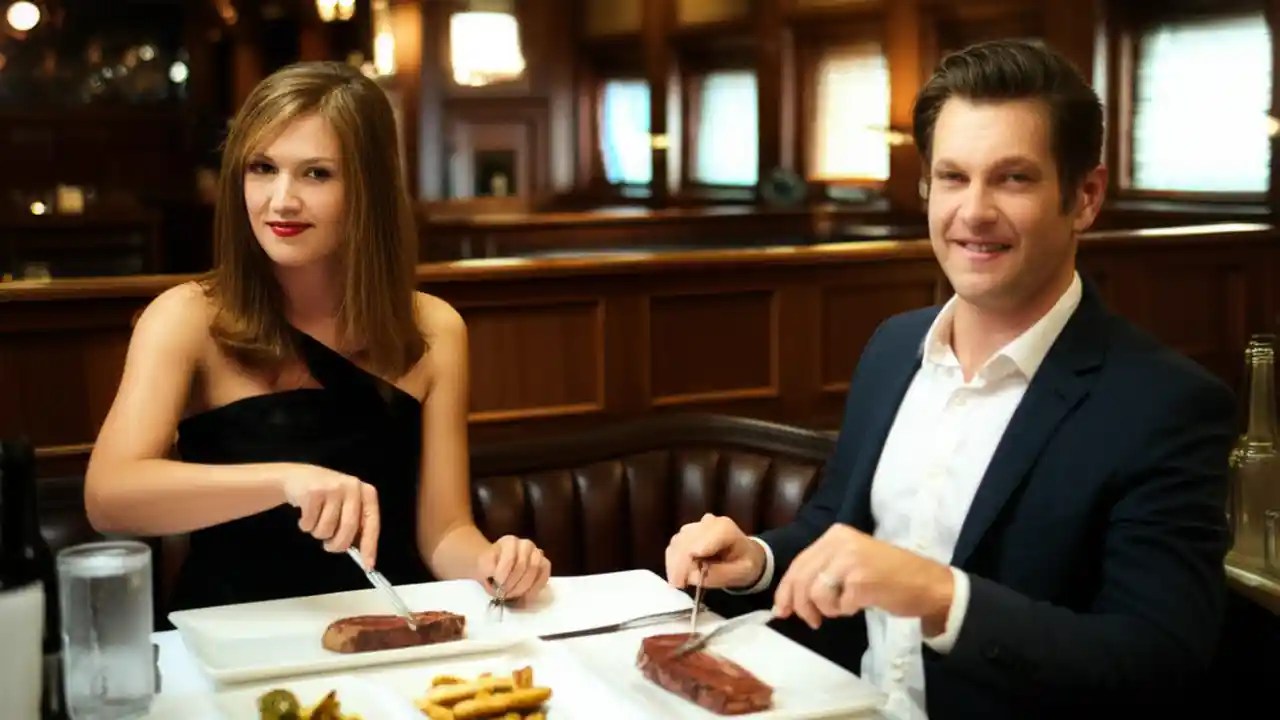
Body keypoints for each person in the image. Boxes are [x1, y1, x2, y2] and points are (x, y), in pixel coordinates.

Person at [664, 40, 1234, 719]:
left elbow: (1156, 658)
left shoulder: (1165, 403)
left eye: (1014, 178)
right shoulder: (892, 346)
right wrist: (755, 560)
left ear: (1084, 197)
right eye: (954, 177)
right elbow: (836, 527)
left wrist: (942, 596)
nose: (974, 211)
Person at [84, 61, 551, 612]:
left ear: (369, 188)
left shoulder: (435, 329)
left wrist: (495, 566)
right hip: (231, 634)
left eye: (316, 174)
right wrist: (285, 481)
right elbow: (108, 497)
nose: (280, 200)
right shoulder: (187, 318)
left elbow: (444, 531)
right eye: (262, 168)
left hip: (389, 626)